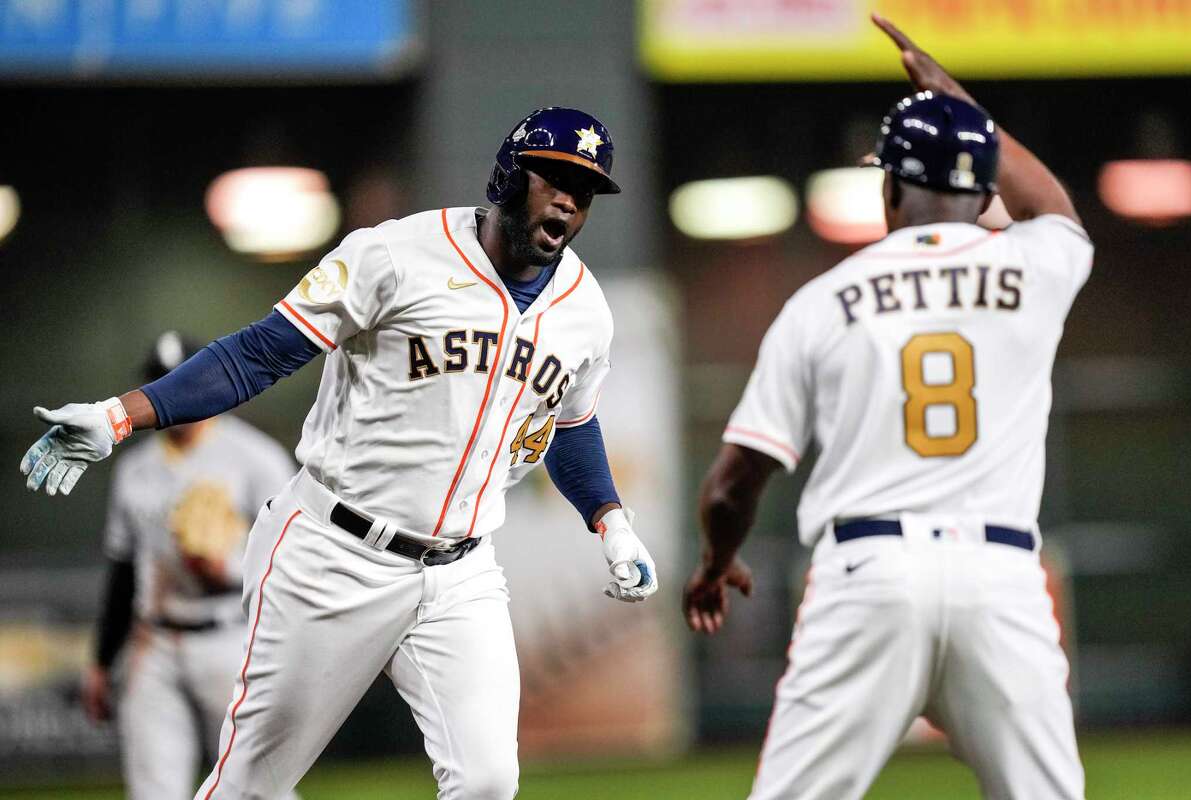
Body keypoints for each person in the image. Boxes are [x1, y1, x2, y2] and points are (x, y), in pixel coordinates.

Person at [23, 106, 658, 799]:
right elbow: (257, 355)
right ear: (508, 175)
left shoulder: (585, 311)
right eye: (554, 178)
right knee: (251, 788)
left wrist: (612, 521)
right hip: (333, 554)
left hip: (461, 574)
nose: (569, 198)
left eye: (586, 189)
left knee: (487, 782)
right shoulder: (394, 255)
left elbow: (568, 425)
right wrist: (119, 417)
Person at [682, 16, 1091, 800]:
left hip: (867, 576)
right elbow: (1056, 208)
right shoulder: (1034, 266)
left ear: (889, 186)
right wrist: (959, 104)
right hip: (999, 575)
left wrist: (713, 563)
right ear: (982, 189)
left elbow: (733, 482)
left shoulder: (823, 300)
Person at [81, 331, 297, 800]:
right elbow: (122, 570)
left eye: (178, 379)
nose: (171, 391)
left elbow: (293, 563)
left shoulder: (256, 457)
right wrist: (102, 659)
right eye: (161, 381)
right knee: (152, 791)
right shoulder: (133, 470)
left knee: (259, 789)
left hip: (231, 641)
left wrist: (228, 576)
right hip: (152, 644)